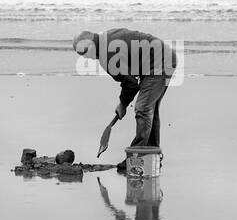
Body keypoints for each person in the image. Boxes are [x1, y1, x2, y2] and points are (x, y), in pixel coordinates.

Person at [72, 28, 174, 171]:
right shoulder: (106, 38)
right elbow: (130, 79)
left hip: (160, 63)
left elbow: (131, 84)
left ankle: (136, 157)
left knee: (143, 108)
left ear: (90, 44)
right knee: (150, 109)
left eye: (83, 53)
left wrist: (123, 104)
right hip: (161, 59)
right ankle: (152, 155)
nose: (85, 58)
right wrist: (123, 103)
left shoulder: (107, 55)